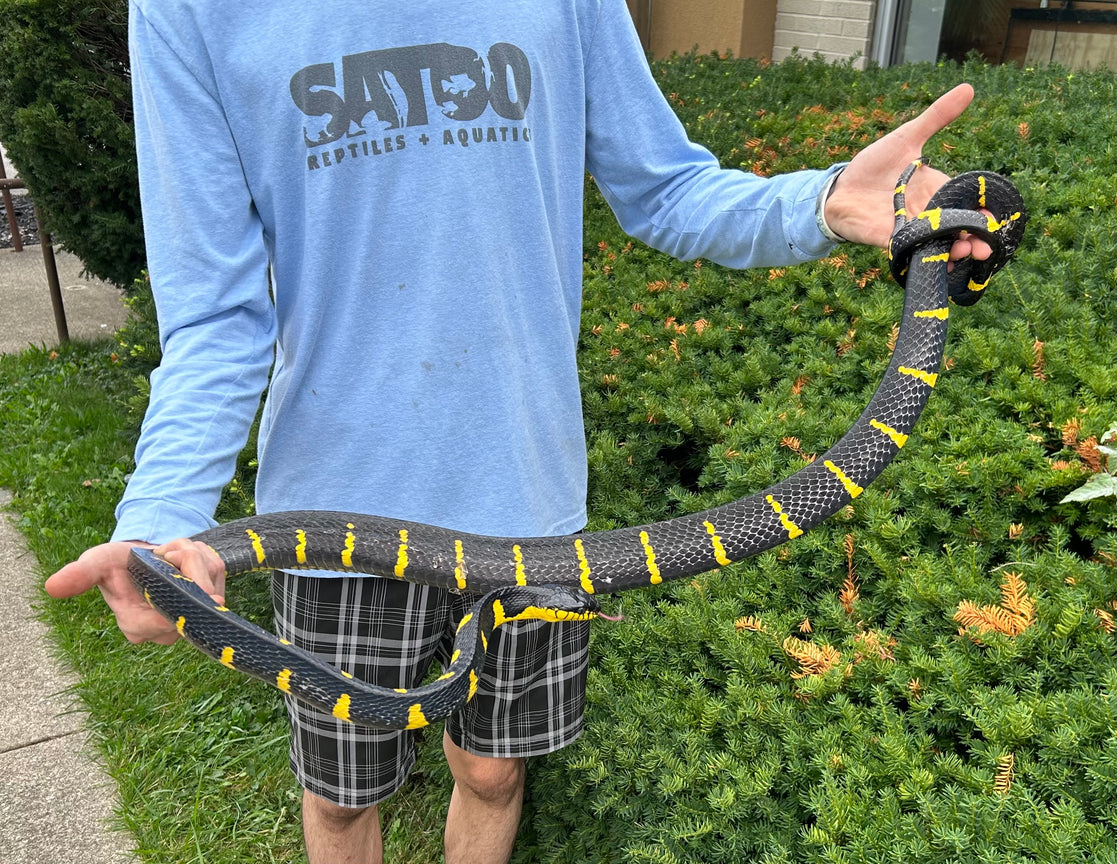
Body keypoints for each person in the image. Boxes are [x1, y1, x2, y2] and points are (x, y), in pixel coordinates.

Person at [45, 1, 994, 862]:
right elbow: (217, 317)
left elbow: (666, 189)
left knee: (495, 773)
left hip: (528, 500)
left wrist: (822, 202)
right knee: (341, 798)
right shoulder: (188, 10)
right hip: (330, 515)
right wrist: (161, 516)